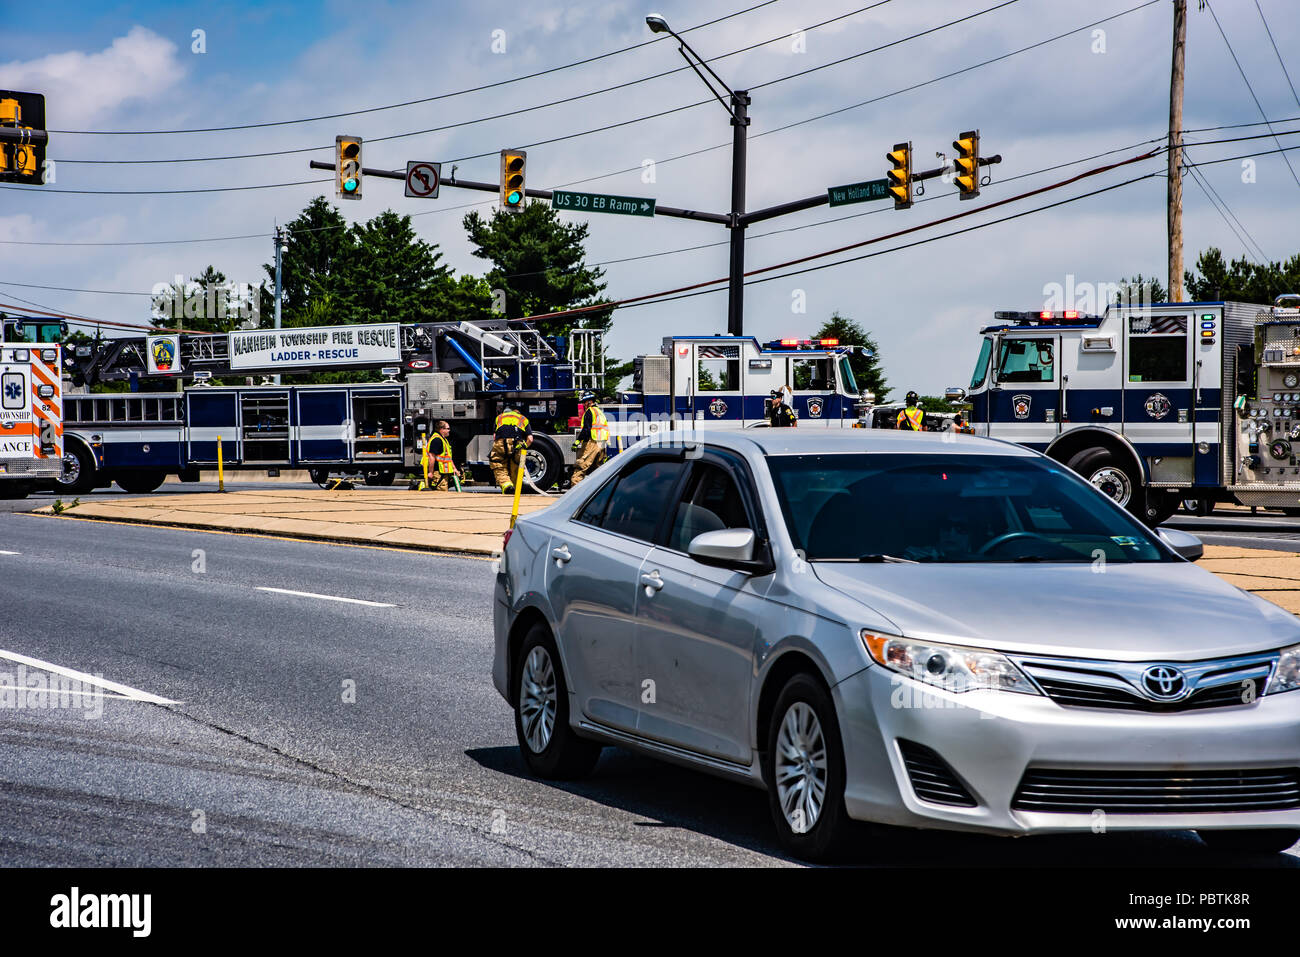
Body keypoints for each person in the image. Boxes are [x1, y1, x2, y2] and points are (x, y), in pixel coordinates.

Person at [570, 391, 610, 486]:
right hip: (602, 444)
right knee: (598, 471)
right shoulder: (599, 412)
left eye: (584, 402)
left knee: (581, 467)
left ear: (589, 402)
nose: (583, 404)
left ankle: (575, 495)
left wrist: (577, 441)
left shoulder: (589, 411)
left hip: (592, 443)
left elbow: (587, 430)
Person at [490, 404, 532, 493]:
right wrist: (523, 446)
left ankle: (506, 484)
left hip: (501, 442)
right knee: (516, 467)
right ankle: (515, 491)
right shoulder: (523, 419)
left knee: (498, 463)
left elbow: (494, 436)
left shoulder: (499, 417)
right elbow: (530, 439)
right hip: (518, 444)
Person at [426, 420, 461, 490]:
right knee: (440, 493)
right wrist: (430, 472)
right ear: (441, 429)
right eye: (447, 429)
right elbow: (431, 457)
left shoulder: (443, 440)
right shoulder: (436, 440)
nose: (449, 430)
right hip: (438, 473)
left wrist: (454, 469)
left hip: (442, 473)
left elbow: (448, 457)